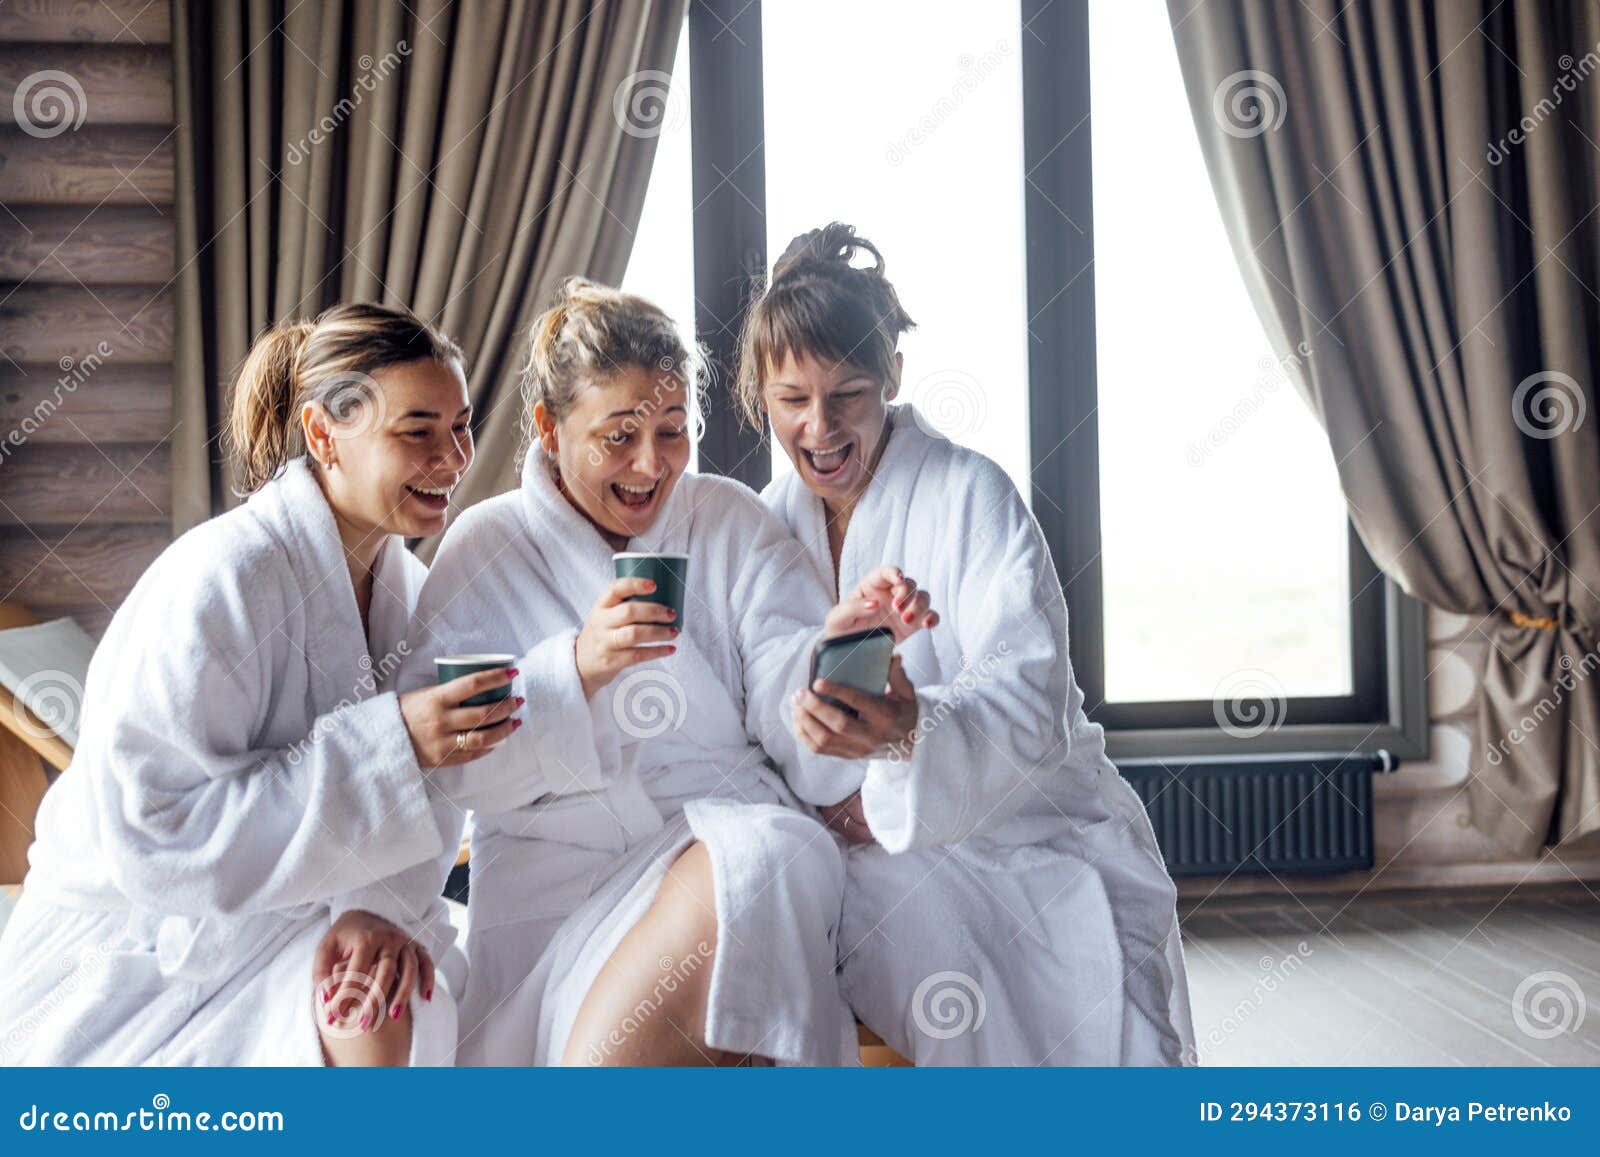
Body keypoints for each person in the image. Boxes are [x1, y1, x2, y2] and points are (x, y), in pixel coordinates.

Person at [390, 279, 936, 1065]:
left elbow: (795, 712)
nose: (652, 464)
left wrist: (844, 659)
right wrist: (573, 671)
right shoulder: (487, 546)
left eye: (674, 431)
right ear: (547, 425)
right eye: (619, 437)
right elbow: (444, 764)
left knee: (739, 881)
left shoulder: (726, 520)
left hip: (724, 835)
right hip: (552, 884)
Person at [0, 304, 516, 1066]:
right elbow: (156, 830)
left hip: (319, 924)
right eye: (417, 432)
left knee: (399, 996)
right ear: (322, 435)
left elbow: (424, 824)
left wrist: (374, 912)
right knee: (371, 1012)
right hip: (152, 956)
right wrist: (394, 742)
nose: (452, 458)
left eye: (461, 426)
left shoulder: (412, 589)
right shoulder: (223, 577)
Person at [745, 223, 1197, 1065]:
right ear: (760, 393)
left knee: (1024, 976)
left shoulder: (970, 493)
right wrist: (828, 791)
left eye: (846, 393)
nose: (818, 428)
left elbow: (1030, 693)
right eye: (790, 398)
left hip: (1021, 828)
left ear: (892, 376)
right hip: (844, 846)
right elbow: (751, 700)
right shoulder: (763, 526)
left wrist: (911, 730)